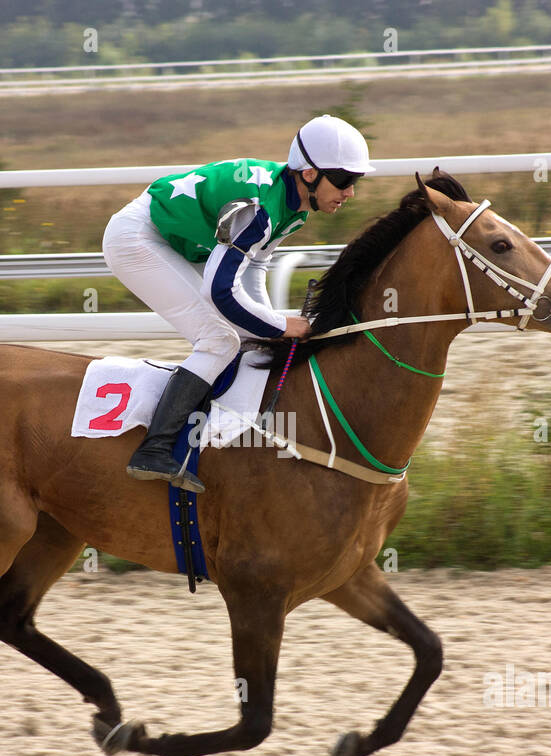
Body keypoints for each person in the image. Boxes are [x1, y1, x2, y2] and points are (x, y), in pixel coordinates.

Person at [101, 113, 374, 493]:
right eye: (343, 180)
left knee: (246, 334)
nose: (350, 193)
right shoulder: (261, 208)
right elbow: (221, 290)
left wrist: (270, 324)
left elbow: (254, 267)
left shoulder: (292, 207)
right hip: (138, 239)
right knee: (219, 340)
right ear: (309, 173)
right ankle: (154, 449)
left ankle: (222, 434)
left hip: (182, 243)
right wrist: (280, 326)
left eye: (355, 181)